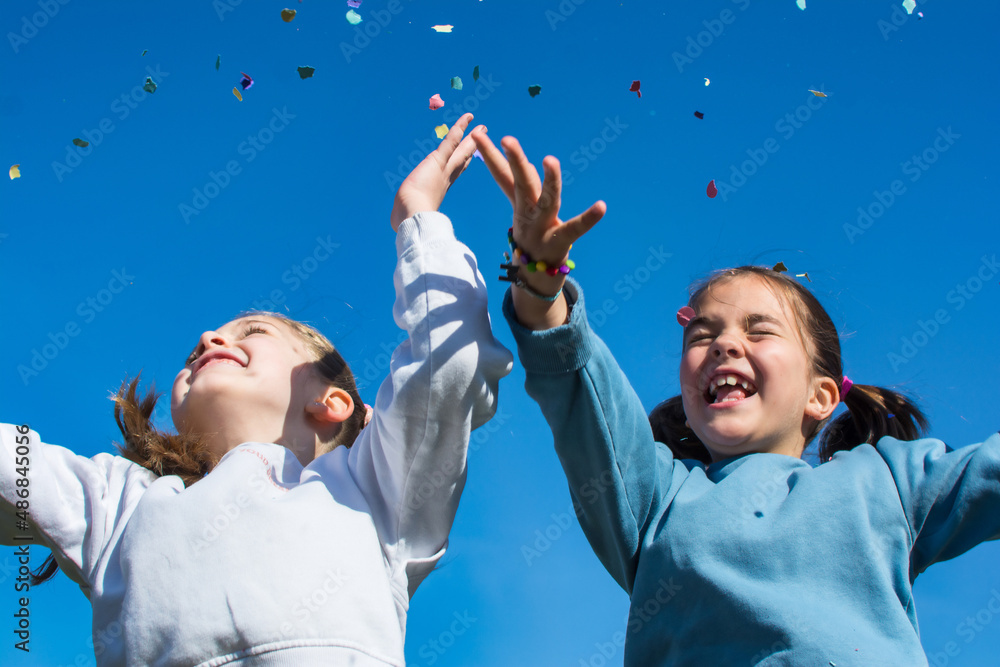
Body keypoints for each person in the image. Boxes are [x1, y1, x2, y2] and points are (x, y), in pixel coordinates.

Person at [0, 113, 512, 667]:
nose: (208, 336)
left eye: (255, 332)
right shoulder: (121, 500)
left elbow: (449, 363)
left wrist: (420, 218)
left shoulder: (375, 490)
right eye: (215, 335)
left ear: (331, 402)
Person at [473, 131, 1000, 666]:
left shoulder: (886, 481)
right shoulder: (656, 498)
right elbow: (581, 386)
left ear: (820, 395)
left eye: (760, 330)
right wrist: (538, 275)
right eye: (701, 334)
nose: (724, 343)